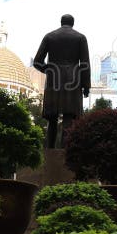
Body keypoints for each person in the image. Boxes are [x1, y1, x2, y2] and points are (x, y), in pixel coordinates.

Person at [33, 14, 91, 148]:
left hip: (54, 79)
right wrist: (86, 85)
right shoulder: (80, 37)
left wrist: (48, 69)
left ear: (61, 22)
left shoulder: (49, 36)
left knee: (52, 118)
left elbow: (37, 62)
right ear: (73, 23)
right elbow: (85, 64)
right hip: (73, 80)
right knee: (68, 118)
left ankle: (49, 150)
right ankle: (64, 152)